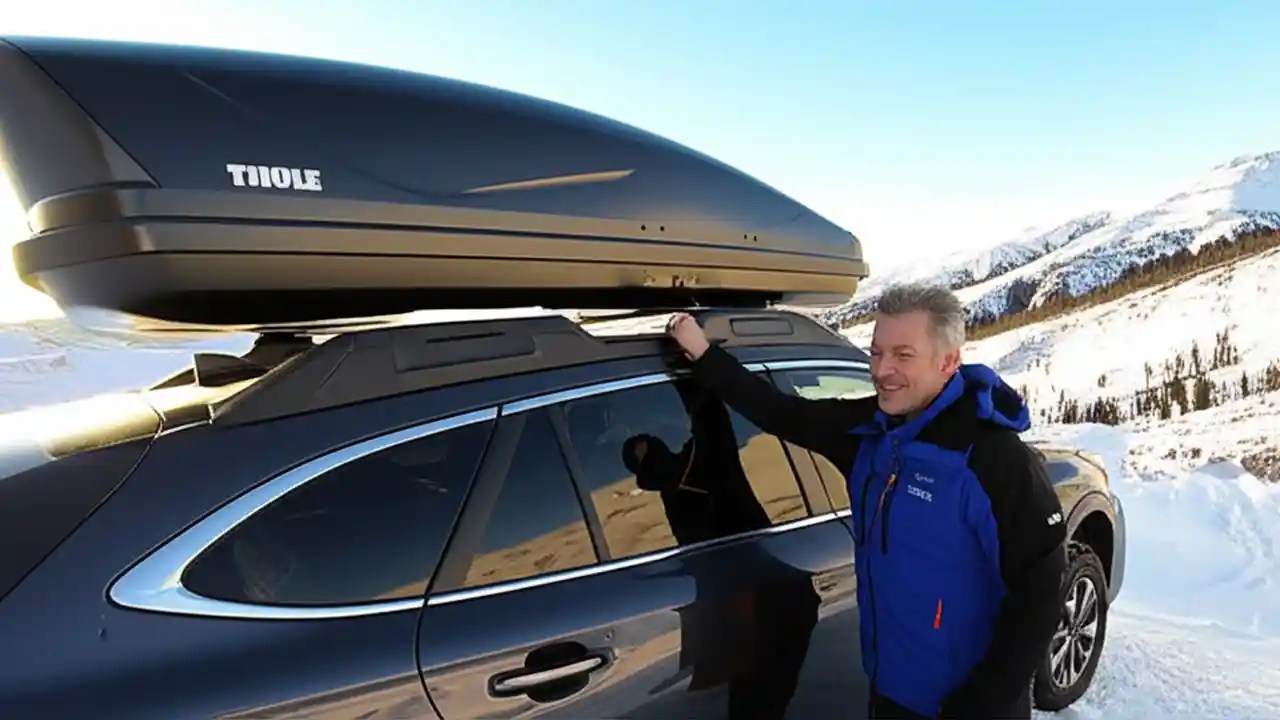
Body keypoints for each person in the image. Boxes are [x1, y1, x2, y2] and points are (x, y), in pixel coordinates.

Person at [665, 282, 1067, 719]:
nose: (881, 370)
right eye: (876, 352)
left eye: (902, 355)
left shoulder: (993, 460)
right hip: (888, 692)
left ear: (948, 362)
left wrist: (978, 707)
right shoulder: (870, 433)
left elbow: (1039, 597)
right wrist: (704, 356)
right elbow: (782, 413)